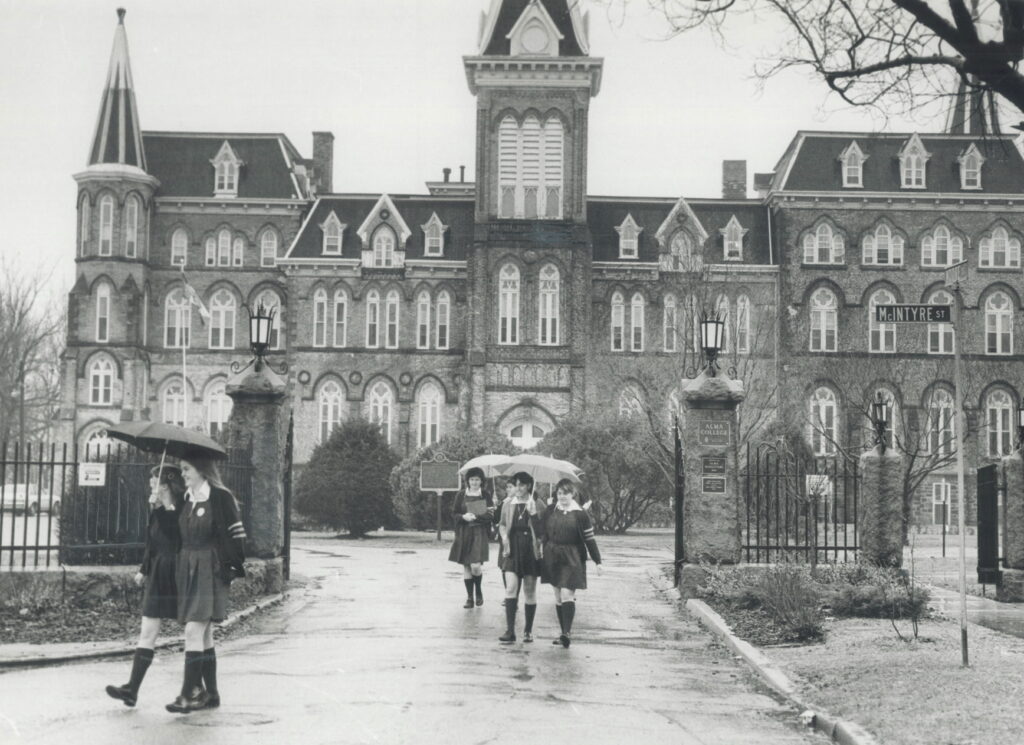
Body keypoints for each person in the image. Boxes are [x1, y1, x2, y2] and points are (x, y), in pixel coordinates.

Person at [166, 451, 246, 714]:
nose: (183, 474)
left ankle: (188, 696)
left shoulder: (220, 497)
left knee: (193, 631)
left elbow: (236, 535)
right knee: (204, 632)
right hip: (187, 569)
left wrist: (233, 566)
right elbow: (173, 535)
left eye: (187, 468)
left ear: (202, 469)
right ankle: (211, 694)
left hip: (210, 570)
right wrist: (161, 506)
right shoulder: (185, 499)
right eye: (182, 469)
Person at [105, 464, 186, 707]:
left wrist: (163, 507)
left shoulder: (182, 508)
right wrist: (144, 569)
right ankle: (132, 689)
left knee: (193, 633)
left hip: (176, 572)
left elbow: (176, 536)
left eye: (153, 482)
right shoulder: (157, 509)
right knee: (147, 631)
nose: (150, 486)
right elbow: (152, 544)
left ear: (164, 485)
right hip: (157, 573)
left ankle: (200, 688)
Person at [540, 478, 602, 648]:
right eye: (559, 493)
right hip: (552, 556)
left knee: (568, 594)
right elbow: (542, 532)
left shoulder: (581, 514)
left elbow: (589, 539)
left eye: (565, 493)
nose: (562, 496)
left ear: (572, 494)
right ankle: (562, 633)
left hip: (573, 557)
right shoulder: (551, 510)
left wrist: (598, 561)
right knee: (558, 596)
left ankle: (566, 632)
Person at [497, 471, 546, 643]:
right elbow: (502, 525)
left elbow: (542, 534)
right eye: (516, 484)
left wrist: (533, 514)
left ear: (529, 486)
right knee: (510, 588)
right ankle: (510, 630)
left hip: (530, 550)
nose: (518, 488)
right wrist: (503, 537)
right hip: (512, 549)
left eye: (522, 485)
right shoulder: (508, 503)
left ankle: (527, 631)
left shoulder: (538, 504)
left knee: (529, 591)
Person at [447, 467, 493, 608]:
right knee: (466, 566)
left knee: (475, 566)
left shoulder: (485, 495)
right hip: (464, 532)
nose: (474, 482)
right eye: (472, 479)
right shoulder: (461, 495)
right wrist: (463, 517)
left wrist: (477, 516)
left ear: (481, 481)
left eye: (477, 479)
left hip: (479, 532)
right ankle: (469, 598)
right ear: (467, 481)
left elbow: (490, 516)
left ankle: (478, 590)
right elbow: (454, 514)